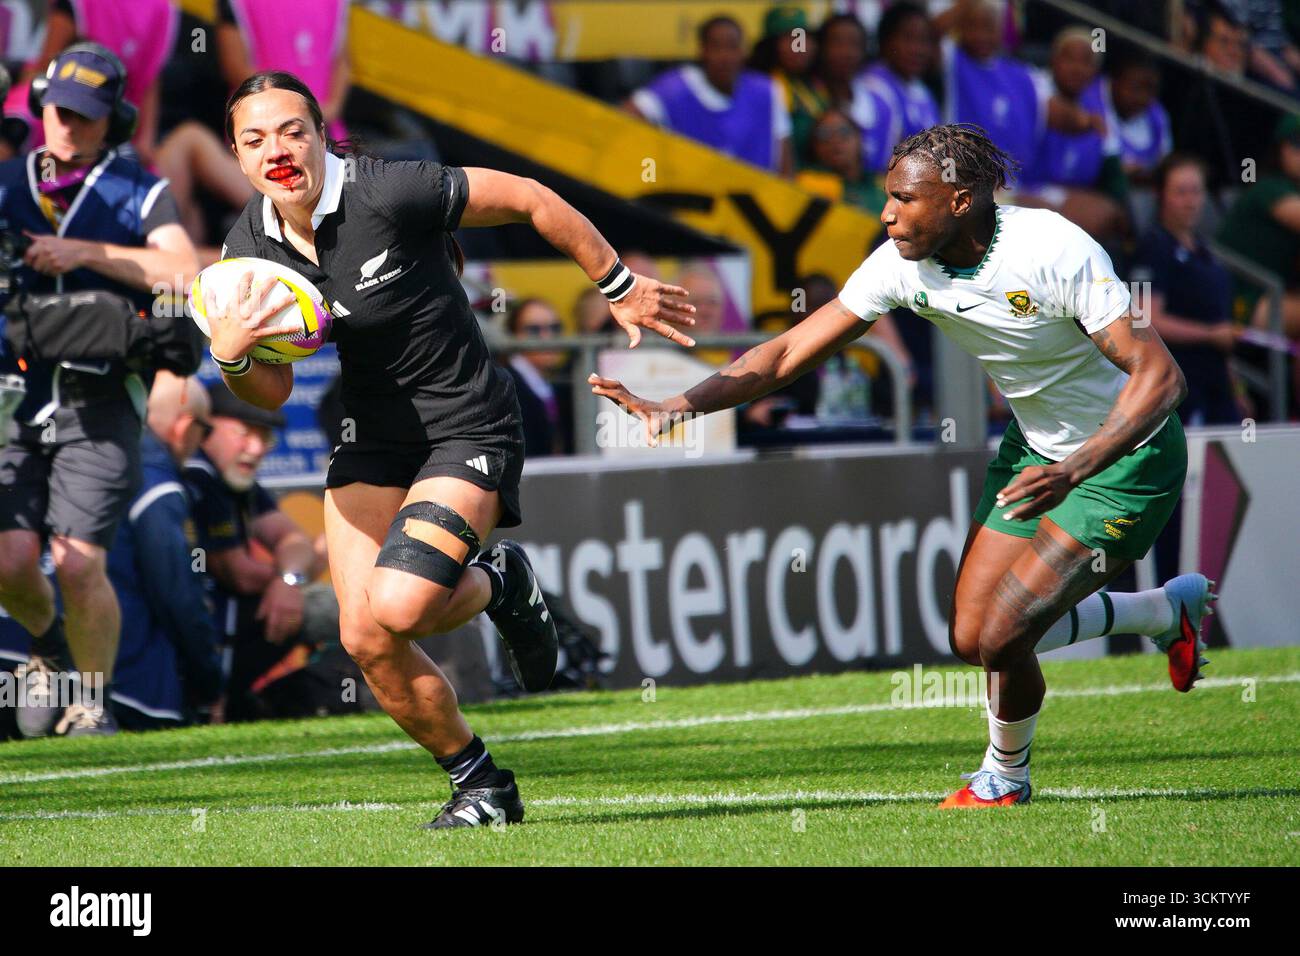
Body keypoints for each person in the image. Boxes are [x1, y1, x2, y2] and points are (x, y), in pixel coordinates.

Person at [592, 124, 1216, 809]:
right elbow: (783, 355)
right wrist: (674, 407)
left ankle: (1004, 779)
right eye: (886, 197)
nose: (886, 213)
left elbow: (1161, 378)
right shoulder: (897, 264)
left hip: (1127, 456)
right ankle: (1164, 612)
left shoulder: (1052, 247)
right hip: (1038, 452)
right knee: (971, 636)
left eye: (903, 198)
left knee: (1007, 633)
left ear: (960, 199)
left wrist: (1077, 468)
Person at [206, 71, 694, 827]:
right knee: (363, 635)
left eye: (292, 130)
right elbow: (267, 392)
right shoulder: (249, 249)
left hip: (467, 423)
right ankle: (481, 785)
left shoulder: (390, 190)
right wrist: (235, 356)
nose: (277, 149)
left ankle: (499, 582)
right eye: (255, 138)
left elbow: (533, 197)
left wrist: (619, 282)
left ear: (320, 132)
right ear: (235, 155)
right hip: (372, 439)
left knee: (400, 606)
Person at [0, 44, 198, 738]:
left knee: (78, 563)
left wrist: (84, 255)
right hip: (12, 400)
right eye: (58, 111)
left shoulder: (138, 188)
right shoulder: (7, 180)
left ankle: (90, 702)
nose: (68, 127)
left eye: (85, 116)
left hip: (102, 400)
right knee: (9, 560)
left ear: (112, 118)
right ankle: (47, 642)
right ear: (39, 106)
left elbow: (184, 272)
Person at [183, 381, 318, 723]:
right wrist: (289, 581)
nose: (256, 448)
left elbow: (292, 540)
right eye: (244, 433)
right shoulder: (198, 475)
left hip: (223, 622)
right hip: (194, 628)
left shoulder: (236, 480)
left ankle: (253, 700)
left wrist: (289, 581)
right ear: (205, 427)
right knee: (322, 609)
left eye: (266, 438)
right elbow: (237, 573)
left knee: (324, 607)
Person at [107, 372, 223, 729]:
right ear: (185, 425)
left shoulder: (90, 461)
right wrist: (209, 681)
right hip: (132, 683)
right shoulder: (157, 482)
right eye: (205, 431)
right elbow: (178, 596)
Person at [1131, 154, 1243, 426]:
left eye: (1196, 191)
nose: (1190, 201)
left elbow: (1219, 323)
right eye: (1180, 192)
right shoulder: (1152, 248)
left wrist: (1236, 387)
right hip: (1176, 382)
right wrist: (1209, 335)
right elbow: (1144, 321)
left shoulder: (1206, 252)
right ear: (1161, 195)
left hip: (1216, 383)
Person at [627, 15, 793, 177]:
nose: (725, 56)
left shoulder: (766, 91)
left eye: (732, 47)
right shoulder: (674, 88)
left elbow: (785, 163)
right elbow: (625, 117)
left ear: (743, 52)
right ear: (703, 51)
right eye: (716, 47)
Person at [18, 0, 178, 163]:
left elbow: (149, 79)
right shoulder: (78, 5)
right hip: (57, 109)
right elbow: (45, 66)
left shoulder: (161, 7)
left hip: (113, 134)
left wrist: (145, 142)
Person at [1018, 28, 1128, 241]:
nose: (1077, 69)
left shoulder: (1099, 105)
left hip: (1075, 198)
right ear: (1053, 60)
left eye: (1086, 62)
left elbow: (1114, 174)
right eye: (1069, 59)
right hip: (1026, 190)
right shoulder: (1034, 87)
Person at [1215, 112, 1300, 341]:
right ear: (1280, 149)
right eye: (1295, 144)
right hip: (1243, 298)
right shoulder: (1268, 187)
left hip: (1276, 294)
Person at [811, 13, 894, 175]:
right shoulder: (806, 98)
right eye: (837, 42)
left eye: (854, 44)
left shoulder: (880, 100)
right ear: (821, 47)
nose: (846, 52)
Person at [862, 2, 942, 170]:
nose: (918, 50)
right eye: (908, 38)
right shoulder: (872, 89)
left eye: (924, 40)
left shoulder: (921, 90)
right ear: (885, 41)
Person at [749, 5, 824, 167]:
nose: (799, 46)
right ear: (771, 45)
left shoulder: (817, 84)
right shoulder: (763, 88)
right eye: (790, 38)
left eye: (804, 37)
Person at [504, 297, 572, 457]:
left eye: (555, 328)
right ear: (515, 335)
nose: (547, 337)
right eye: (534, 330)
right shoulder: (505, 385)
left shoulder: (555, 383)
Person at [796, 107, 888, 218]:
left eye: (843, 131)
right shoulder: (807, 184)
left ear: (859, 138)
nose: (835, 140)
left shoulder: (883, 186)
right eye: (824, 134)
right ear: (814, 146)